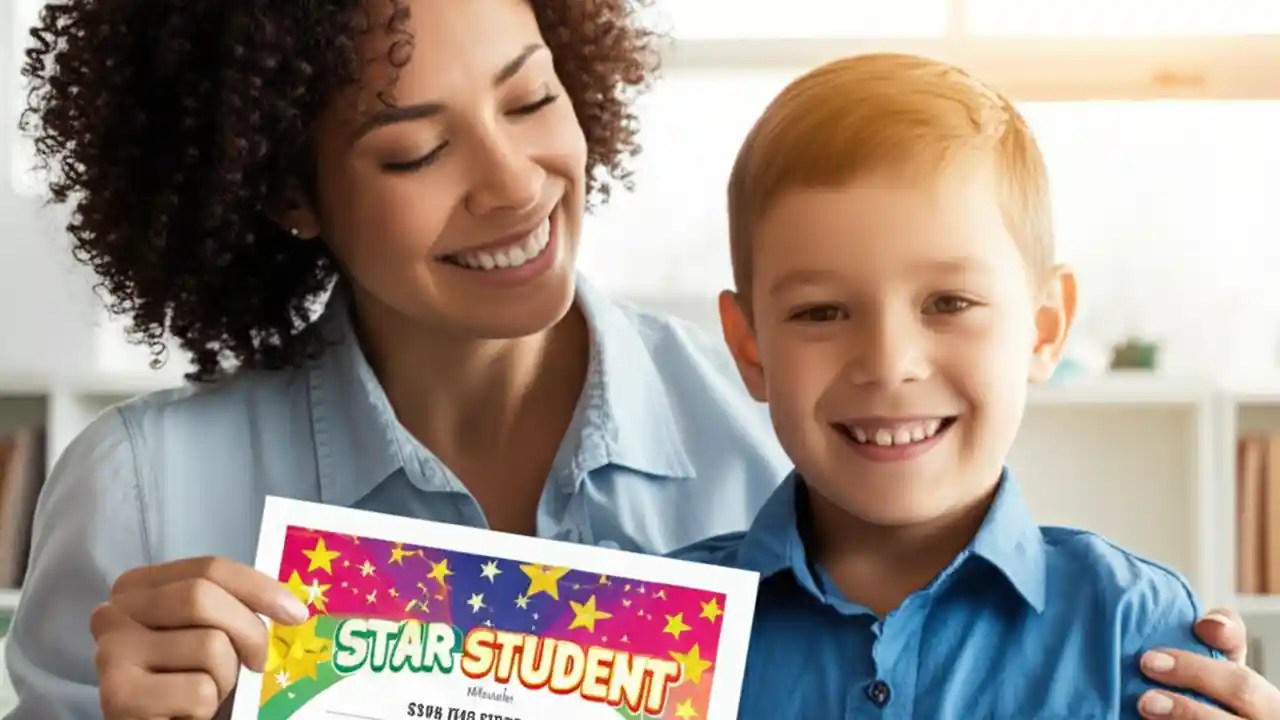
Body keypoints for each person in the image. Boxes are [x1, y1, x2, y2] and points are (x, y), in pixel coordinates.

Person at [6, 1, 1274, 718]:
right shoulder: (140, 491)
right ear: (289, 192)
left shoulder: (790, 431)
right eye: (410, 150)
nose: (513, 188)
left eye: (528, 97)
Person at [668, 52, 1264, 720]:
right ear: (749, 347)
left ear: (1043, 329)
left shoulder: (1132, 628)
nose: (889, 363)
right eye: (821, 312)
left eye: (948, 303)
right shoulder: (641, 628)